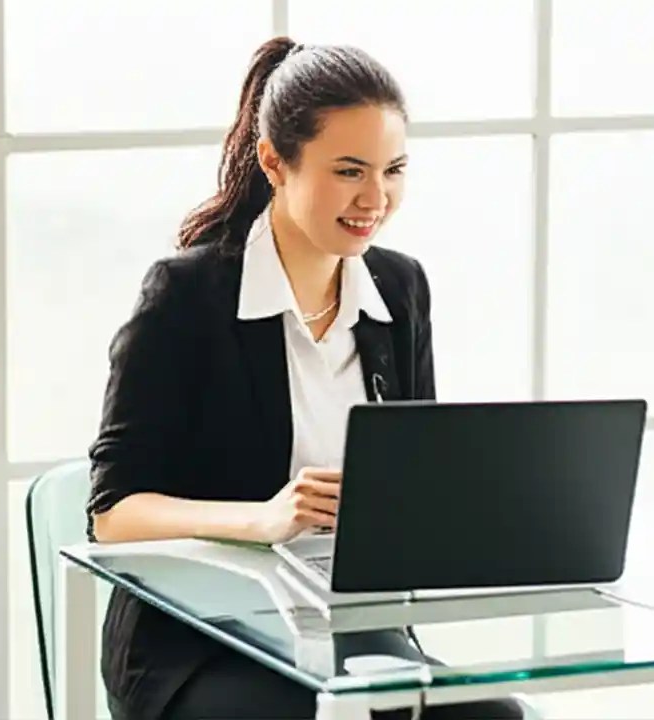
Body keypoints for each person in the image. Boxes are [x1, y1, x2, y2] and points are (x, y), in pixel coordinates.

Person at [87, 36, 521, 720]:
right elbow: (113, 513)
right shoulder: (187, 295)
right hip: (201, 642)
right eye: (349, 171)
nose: (375, 198)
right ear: (273, 161)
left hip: (351, 627)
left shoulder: (399, 289)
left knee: (491, 716)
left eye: (394, 170)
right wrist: (263, 519)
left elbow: (413, 474)